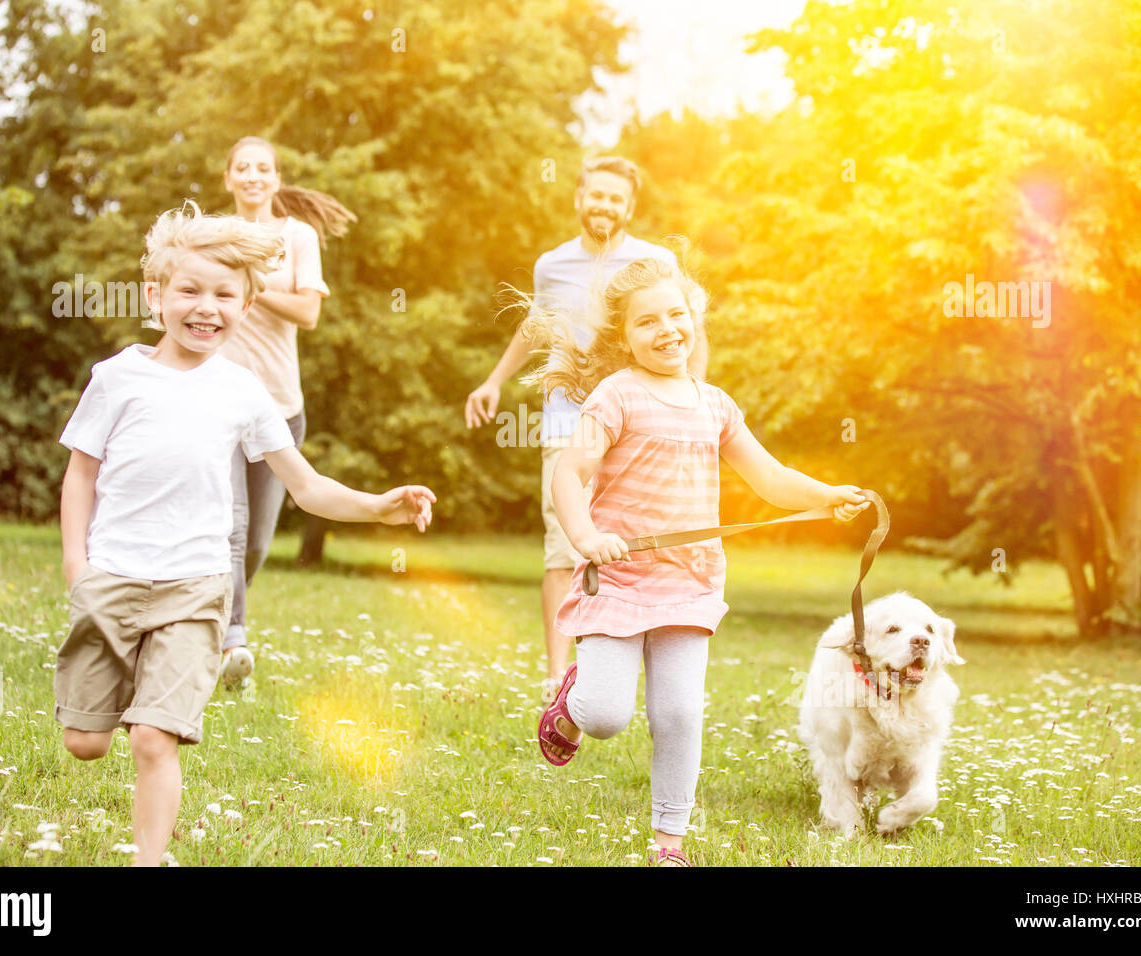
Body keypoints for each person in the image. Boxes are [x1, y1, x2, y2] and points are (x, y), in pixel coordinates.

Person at [55, 204, 434, 867]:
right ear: (156, 297)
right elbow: (80, 473)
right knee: (85, 743)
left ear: (249, 303)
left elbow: (306, 485)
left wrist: (379, 507)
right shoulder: (118, 378)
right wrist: (76, 567)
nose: (207, 308)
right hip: (111, 577)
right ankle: (116, 695)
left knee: (152, 738)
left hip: (197, 586)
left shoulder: (243, 391)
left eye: (225, 295)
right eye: (190, 291)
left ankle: (149, 860)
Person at [530, 258, 868, 867]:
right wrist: (585, 536)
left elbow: (769, 477)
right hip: (621, 578)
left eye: (676, 314)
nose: (666, 329)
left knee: (680, 712)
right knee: (608, 715)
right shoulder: (618, 394)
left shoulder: (715, 405)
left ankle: (670, 844)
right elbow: (569, 470)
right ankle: (574, 706)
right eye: (647, 321)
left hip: (689, 584)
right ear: (624, 336)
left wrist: (827, 496)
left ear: (696, 319)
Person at [464, 157, 707, 700]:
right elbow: (536, 328)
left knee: (635, 541)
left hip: (641, 424)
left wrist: (692, 402)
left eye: (616, 198)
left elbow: (690, 330)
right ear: (578, 198)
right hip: (567, 420)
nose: (605, 205)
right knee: (563, 544)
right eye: (596, 195)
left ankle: (630, 665)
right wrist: (494, 381)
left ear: (630, 207)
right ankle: (558, 675)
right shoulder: (551, 265)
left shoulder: (656, 262)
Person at [217, 136, 356, 688]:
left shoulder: (298, 236)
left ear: (276, 180)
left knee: (255, 544)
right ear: (228, 178)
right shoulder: (216, 235)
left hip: (279, 409)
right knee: (231, 530)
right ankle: (234, 641)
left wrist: (254, 286)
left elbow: (307, 312)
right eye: (242, 167)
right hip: (221, 402)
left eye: (263, 168)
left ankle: (212, 619)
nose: (253, 176)